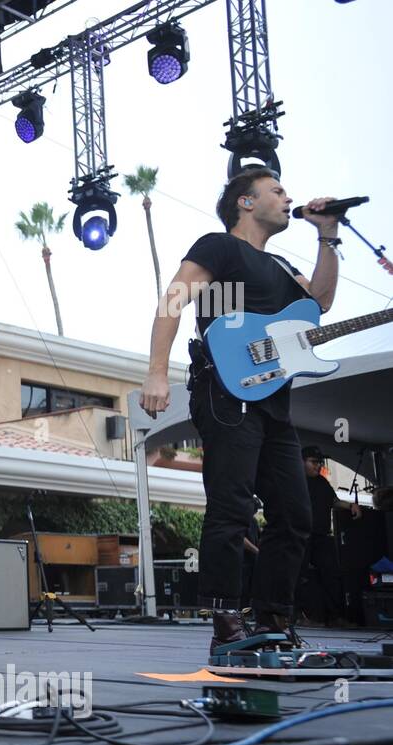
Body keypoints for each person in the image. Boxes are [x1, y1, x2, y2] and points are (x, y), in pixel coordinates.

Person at [140, 166, 342, 654]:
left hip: (274, 402)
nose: (287, 197)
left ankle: (272, 618)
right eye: (277, 190)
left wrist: (329, 235)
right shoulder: (219, 246)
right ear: (246, 203)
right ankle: (225, 620)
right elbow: (174, 299)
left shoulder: (279, 268)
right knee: (232, 507)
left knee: (295, 514)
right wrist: (157, 370)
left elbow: (321, 301)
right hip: (225, 392)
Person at [297, 446, 360, 626]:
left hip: (321, 536)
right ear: (302, 462)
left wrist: (350, 506)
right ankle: (302, 616)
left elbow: (333, 501)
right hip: (301, 536)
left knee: (332, 574)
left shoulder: (322, 482)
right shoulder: (295, 481)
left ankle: (335, 616)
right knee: (301, 577)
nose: (318, 466)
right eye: (313, 462)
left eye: (319, 463)